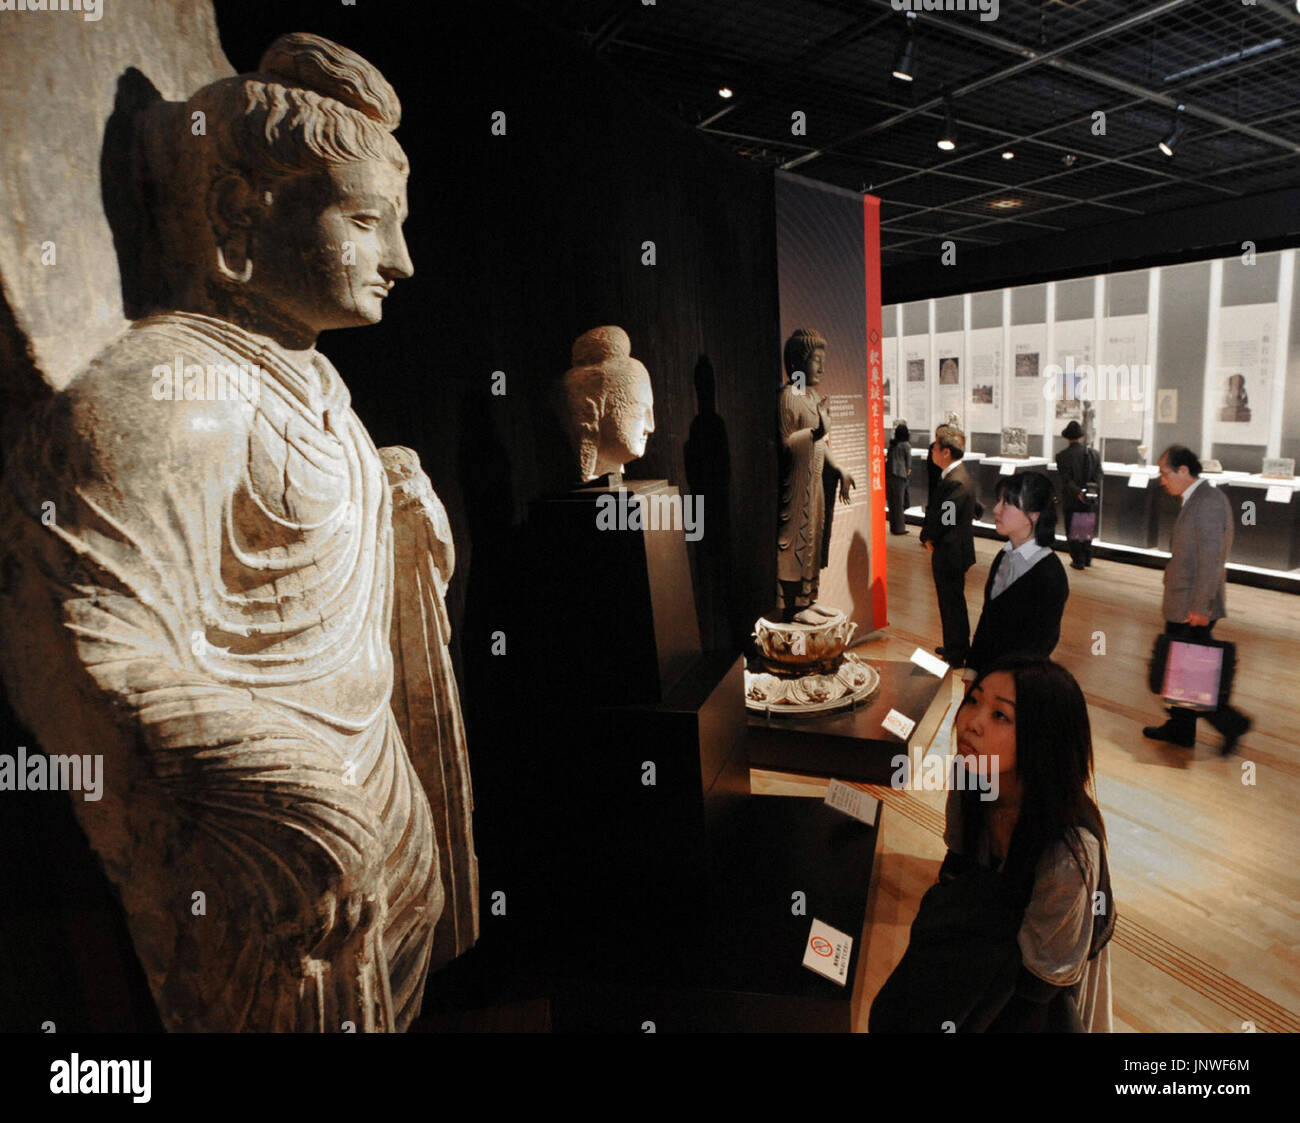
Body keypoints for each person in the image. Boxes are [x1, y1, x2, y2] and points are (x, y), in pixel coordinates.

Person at [0, 34, 477, 1031]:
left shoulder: (322, 396)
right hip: (283, 843)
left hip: (375, 808)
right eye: (367, 221)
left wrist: (404, 539)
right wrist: (290, 790)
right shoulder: (162, 394)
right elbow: (86, 648)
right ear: (236, 218)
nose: (402, 260)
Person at [871, 656, 1115, 1033]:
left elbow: (1043, 980)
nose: (972, 722)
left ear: (1042, 738)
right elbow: (958, 870)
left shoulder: (1068, 848)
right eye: (973, 700)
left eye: (1001, 716)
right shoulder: (970, 775)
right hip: (990, 952)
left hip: (1041, 978)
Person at [1143, 446, 1253, 755]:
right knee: (1180, 669)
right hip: (1185, 600)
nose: (1162, 480)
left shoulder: (1208, 503)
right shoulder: (1197, 499)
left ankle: (1233, 723)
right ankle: (1180, 729)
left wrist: (1201, 607)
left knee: (1193, 672)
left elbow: (1211, 560)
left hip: (1193, 604)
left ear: (1183, 471)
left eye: (1165, 473)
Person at [776, 328, 855, 622]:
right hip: (797, 487)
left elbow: (821, 443)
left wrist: (838, 468)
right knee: (796, 541)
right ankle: (794, 606)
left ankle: (808, 599)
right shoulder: (788, 397)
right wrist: (815, 431)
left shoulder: (812, 396)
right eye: (816, 360)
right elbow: (786, 443)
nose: (822, 367)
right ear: (797, 362)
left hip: (817, 483)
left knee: (814, 539)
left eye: (824, 360)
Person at [967, 471, 1069, 675]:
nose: (996, 509)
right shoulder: (1003, 556)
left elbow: (1039, 647)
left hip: (1014, 684)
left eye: (1007, 503)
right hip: (987, 676)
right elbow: (988, 618)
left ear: (1033, 515)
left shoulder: (1049, 574)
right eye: (999, 501)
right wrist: (972, 669)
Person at [921, 426, 977, 667]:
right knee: (952, 602)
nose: (931, 452)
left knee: (951, 603)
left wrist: (928, 537)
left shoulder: (955, 482)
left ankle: (956, 653)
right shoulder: (957, 476)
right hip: (954, 549)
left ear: (945, 452)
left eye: (934, 447)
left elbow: (946, 518)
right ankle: (956, 645)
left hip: (950, 551)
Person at [1056, 421, 1101, 570]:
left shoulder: (1062, 456)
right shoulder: (1094, 454)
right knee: (1086, 525)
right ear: (1081, 437)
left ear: (1067, 437)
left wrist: (1078, 492)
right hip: (1090, 496)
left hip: (1072, 497)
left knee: (1072, 527)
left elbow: (1066, 480)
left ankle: (1078, 560)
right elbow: (1097, 476)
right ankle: (1087, 557)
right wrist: (1087, 492)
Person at [886, 421, 912, 534]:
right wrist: (907, 473)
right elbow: (908, 464)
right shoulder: (906, 445)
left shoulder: (892, 444)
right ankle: (900, 528)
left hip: (890, 475)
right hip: (900, 476)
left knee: (892, 503)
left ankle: (893, 527)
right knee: (900, 503)